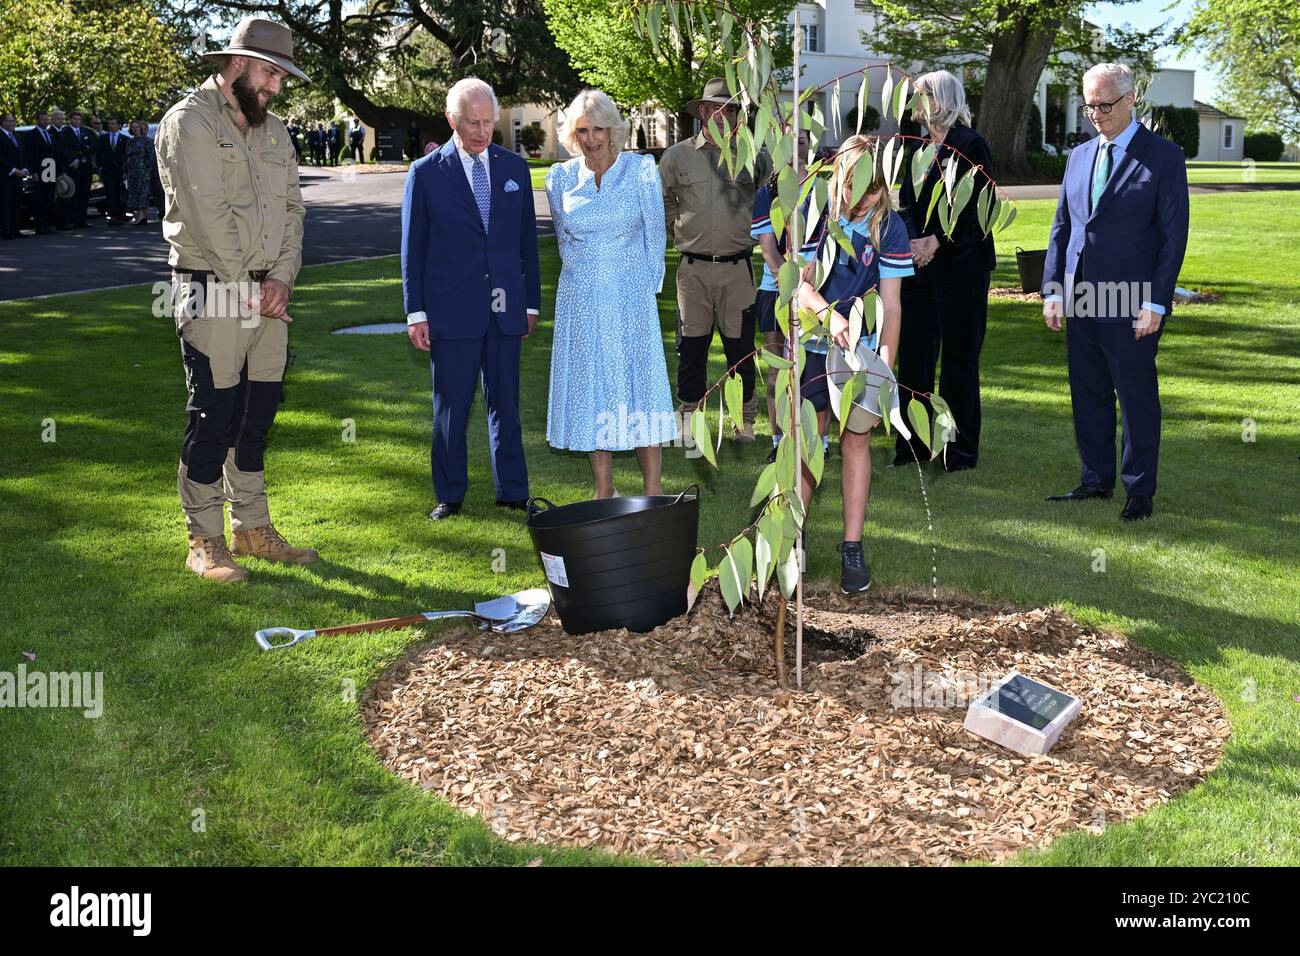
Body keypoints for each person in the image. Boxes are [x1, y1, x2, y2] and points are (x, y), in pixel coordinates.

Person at [155, 16, 315, 582]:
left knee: (257, 414)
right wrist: (253, 291)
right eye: (270, 74)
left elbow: (294, 211)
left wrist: (282, 283)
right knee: (215, 414)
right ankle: (203, 539)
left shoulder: (276, 132)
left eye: (281, 78)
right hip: (214, 290)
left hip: (268, 293)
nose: (276, 87)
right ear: (238, 62)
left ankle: (252, 529)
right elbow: (209, 216)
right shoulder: (189, 123)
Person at [1042, 63, 1189, 523]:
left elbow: (1173, 236)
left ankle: (1139, 491)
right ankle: (1095, 479)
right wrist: (1052, 290)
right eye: (1089, 106)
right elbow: (1063, 226)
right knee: (1088, 391)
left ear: (1130, 100)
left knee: (1135, 394)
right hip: (1081, 293)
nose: (1096, 114)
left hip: (1132, 297)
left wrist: (1156, 302)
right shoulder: (1080, 155)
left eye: (1104, 105)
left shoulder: (1163, 156)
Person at [402, 78, 541, 521]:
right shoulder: (425, 174)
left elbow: (527, 246)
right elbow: (413, 249)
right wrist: (416, 311)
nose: (482, 131)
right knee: (451, 407)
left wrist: (530, 304)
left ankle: (513, 490)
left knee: (507, 403)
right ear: (451, 121)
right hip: (449, 310)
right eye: (472, 123)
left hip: (506, 309)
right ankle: (450, 493)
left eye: (488, 121)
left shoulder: (514, 169)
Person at [798, 135, 914, 593]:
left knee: (856, 441)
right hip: (813, 345)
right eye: (857, 188)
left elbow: (892, 306)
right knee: (810, 441)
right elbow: (799, 288)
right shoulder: (813, 215)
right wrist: (829, 315)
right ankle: (793, 538)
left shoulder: (890, 227)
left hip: (860, 353)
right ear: (839, 180)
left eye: (875, 190)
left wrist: (884, 367)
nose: (866, 200)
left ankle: (852, 548)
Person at [545, 89, 675, 498]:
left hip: (631, 301)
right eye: (582, 130)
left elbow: (656, 239)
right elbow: (564, 242)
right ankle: (605, 490)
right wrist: (582, 284)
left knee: (642, 391)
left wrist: (645, 294)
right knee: (592, 392)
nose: (591, 138)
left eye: (598, 129)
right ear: (572, 133)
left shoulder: (641, 171)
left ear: (612, 129)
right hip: (580, 303)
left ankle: (653, 491)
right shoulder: (560, 178)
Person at [660, 77, 772, 454]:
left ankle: (744, 424)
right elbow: (664, 203)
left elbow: (771, 200)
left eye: (732, 110)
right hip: (692, 271)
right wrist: (680, 228)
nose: (724, 116)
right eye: (717, 109)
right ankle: (688, 423)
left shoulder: (754, 156)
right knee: (691, 348)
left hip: (738, 270)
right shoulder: (677, 156)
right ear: (703, 112)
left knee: (740, 349)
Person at [894, 70, 996, 472]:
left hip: (963, 271)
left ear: (940, 99)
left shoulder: (971, 146)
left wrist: (938, 241)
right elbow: (907, 204)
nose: (912, 104)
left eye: (919, 95)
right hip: (920, 269)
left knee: (958, 361)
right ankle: (913, 449)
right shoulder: (916, 147)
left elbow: (980, 215)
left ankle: (960, 453)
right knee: (915, 359)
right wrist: (915, 243)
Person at [751, 125, 826, 466]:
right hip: (777, 290)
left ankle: (819, 439)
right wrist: (792, 282)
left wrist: (814, 280)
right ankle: (779, 438)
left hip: (820, 289)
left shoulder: (824, 186)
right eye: (788, 140)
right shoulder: (766, 191)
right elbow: (769, 249)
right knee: (778, 366)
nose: (795, 146)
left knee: (816, 366)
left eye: (801, 139)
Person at [24, 110, 61, 234]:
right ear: (37, 120)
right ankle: (39, 227)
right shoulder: (31, 135)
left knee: (49, 199)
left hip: (50, 170)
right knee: (39, 199)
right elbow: (30, 155)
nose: (45, 122)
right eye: (43, 120)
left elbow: (54, 153)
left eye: (47, 119)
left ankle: (48, 225)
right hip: (39, 172)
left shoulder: (50, 134)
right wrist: (33, 172)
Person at [59, 110, 95, 228]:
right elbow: (65, 149)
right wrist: (75, 158)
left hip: (85, 168)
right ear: (70, 120)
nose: (77, 121)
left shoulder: (85, 132)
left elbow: (91, 147)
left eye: (79, 119)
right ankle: (73, 220)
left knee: (84, 194)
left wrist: (81, 154)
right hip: (72, 168)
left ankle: (82, 219)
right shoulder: (65, 132)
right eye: (74, 119)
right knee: (73, 195)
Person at [1, 113, 28, 239]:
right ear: (3, 122)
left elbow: (22, 155)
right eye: (10, 121)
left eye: (14, 121)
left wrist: (24, 169)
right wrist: (13, 170)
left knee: (16, 204)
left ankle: (15, 229)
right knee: (6, 205)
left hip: (18, 177)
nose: (13, 123)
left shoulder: (16, 137)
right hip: (5, 177)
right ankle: (6, 231)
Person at [97, 116, 128, 226]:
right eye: (109, 123)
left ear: (118, 125)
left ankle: (121, 215)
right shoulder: (103, 138)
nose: (111, 125)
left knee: (120, 193)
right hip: (107, 170)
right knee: (110, 193)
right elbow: (99, 153)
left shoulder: (125, 139)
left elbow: (126, 156)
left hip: (120, 171)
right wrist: (101, 166)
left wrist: (125, 170)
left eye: (113, 123)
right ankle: (112, 216)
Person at [125, 120, 155, 226]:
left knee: (143, 193)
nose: (135, 129)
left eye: (137, 127)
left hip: (143, 171)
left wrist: (146, 170)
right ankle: (141, 216)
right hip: (132, 172)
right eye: (133, 127)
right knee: (134, 193)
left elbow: (151, 158)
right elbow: (127, 156)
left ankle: (142, 215)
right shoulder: (130, 141)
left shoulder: (147, 141)